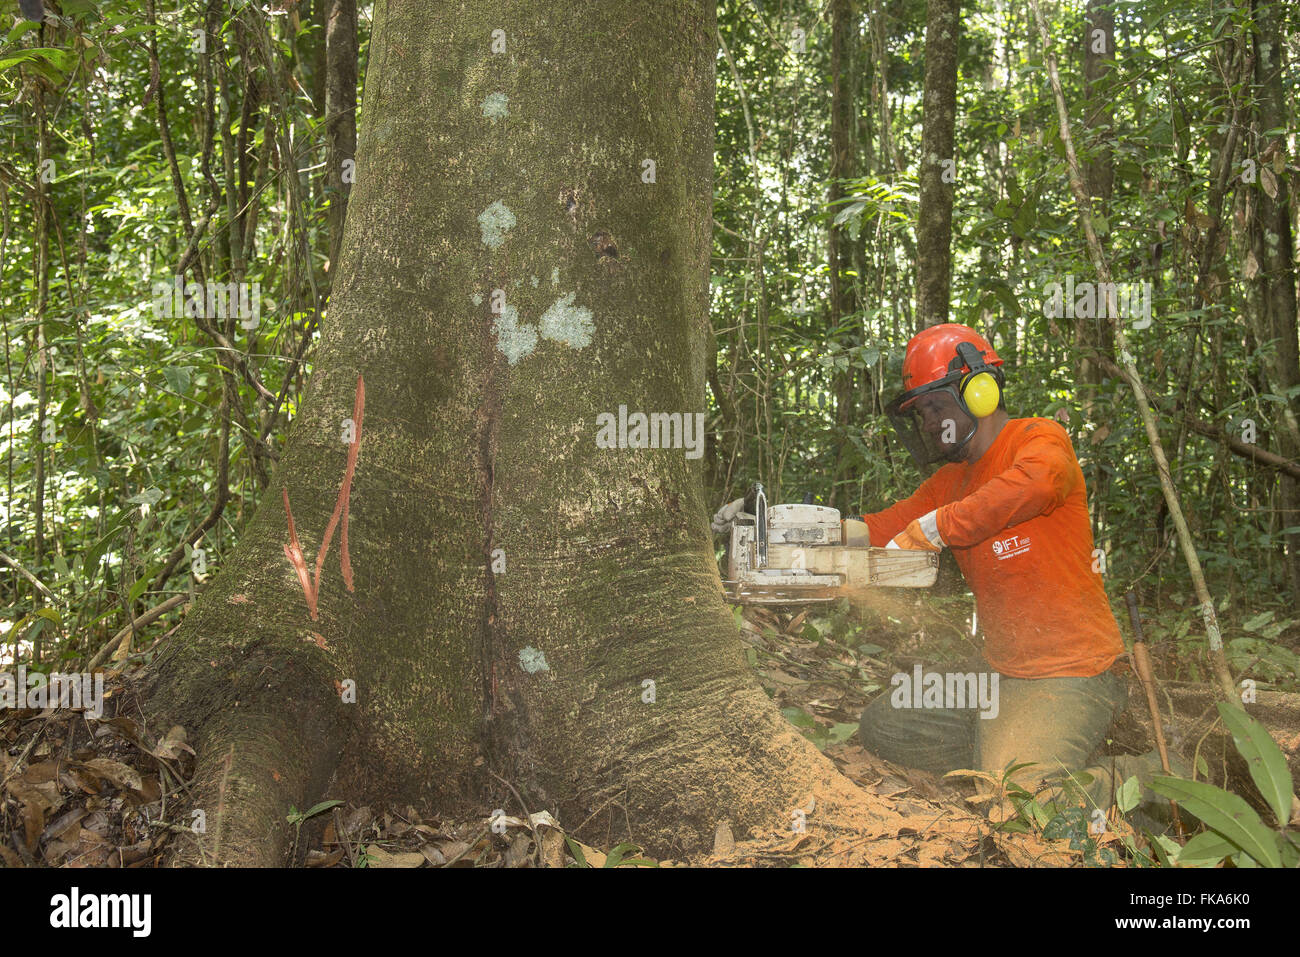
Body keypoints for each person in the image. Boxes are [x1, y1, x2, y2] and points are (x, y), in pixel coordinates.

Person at [714, 323, 1184, 827]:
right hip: (999, 673)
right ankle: (1017, 755)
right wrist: (780, 523)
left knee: (1020, 806)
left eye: (936, 405)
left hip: (1072, 672)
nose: (929, 421)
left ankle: (1158, 776)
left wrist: (939, 527)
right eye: (921, 412)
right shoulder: (948, 482)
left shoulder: (1039, 439)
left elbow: (1039, 483)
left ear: (978, 388)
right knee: (886, 726)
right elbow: (876, 529)